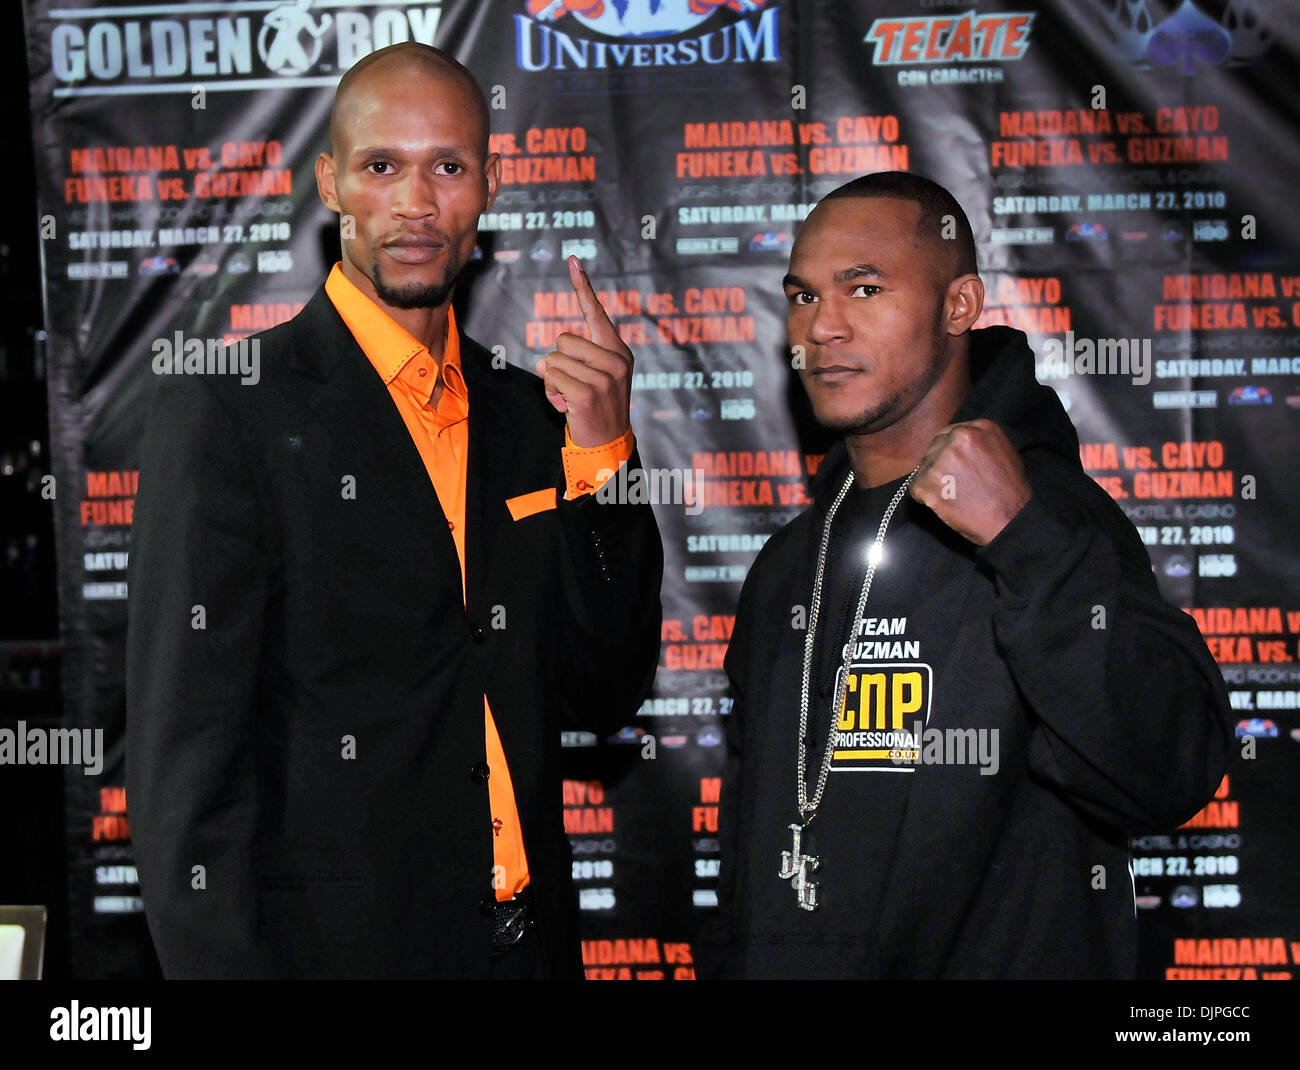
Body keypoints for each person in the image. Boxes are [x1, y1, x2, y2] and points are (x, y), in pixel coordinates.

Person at [125, 42, 663, 979]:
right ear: (331, 181)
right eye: (383, 167)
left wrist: (606, 460)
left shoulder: (535, 417)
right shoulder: (230, 408)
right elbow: (186, 773)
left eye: (447, 166)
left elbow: (605, 692)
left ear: (490, 184)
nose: (416, 204)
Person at [707, 171, 1234, 979]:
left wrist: (1024, 544)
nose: (824, 329)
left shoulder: (1053, 518)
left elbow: (1168, 773)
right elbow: (751, 842)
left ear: (958, 307)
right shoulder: (789, 563)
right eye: (803, 297)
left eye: (865, 288)